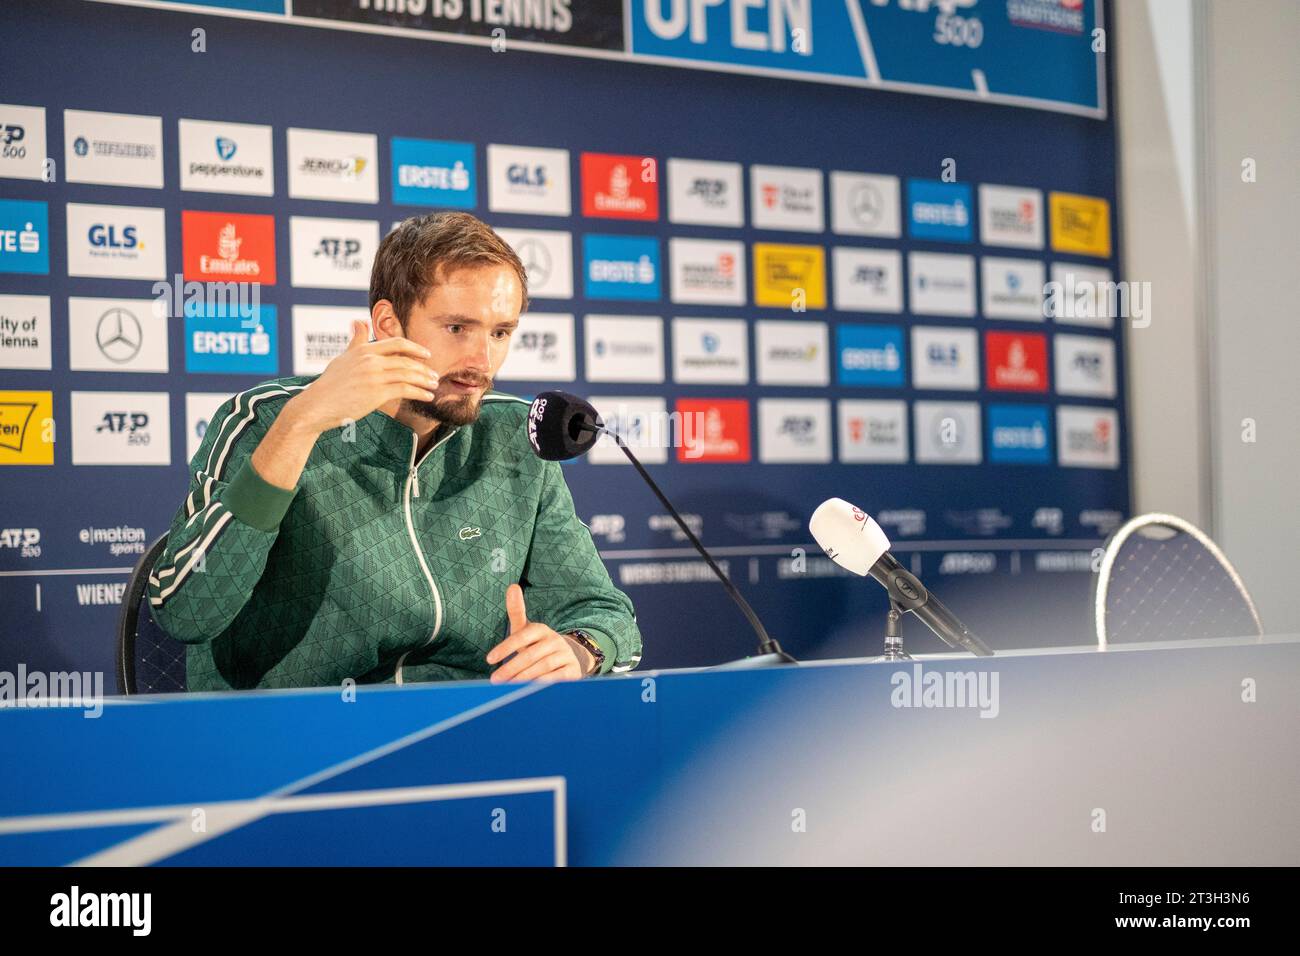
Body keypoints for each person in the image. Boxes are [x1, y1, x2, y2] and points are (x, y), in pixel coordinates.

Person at [148, 212, 641, 690]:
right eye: (457, 328)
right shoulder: (265, 420)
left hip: (467, 736)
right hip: (301, 745)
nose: (481, 361)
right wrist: (297, 427)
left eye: (499, 332)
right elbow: (187, 610)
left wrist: (578, 650)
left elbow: (605, 614)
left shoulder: (515, 436)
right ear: (387, 322)